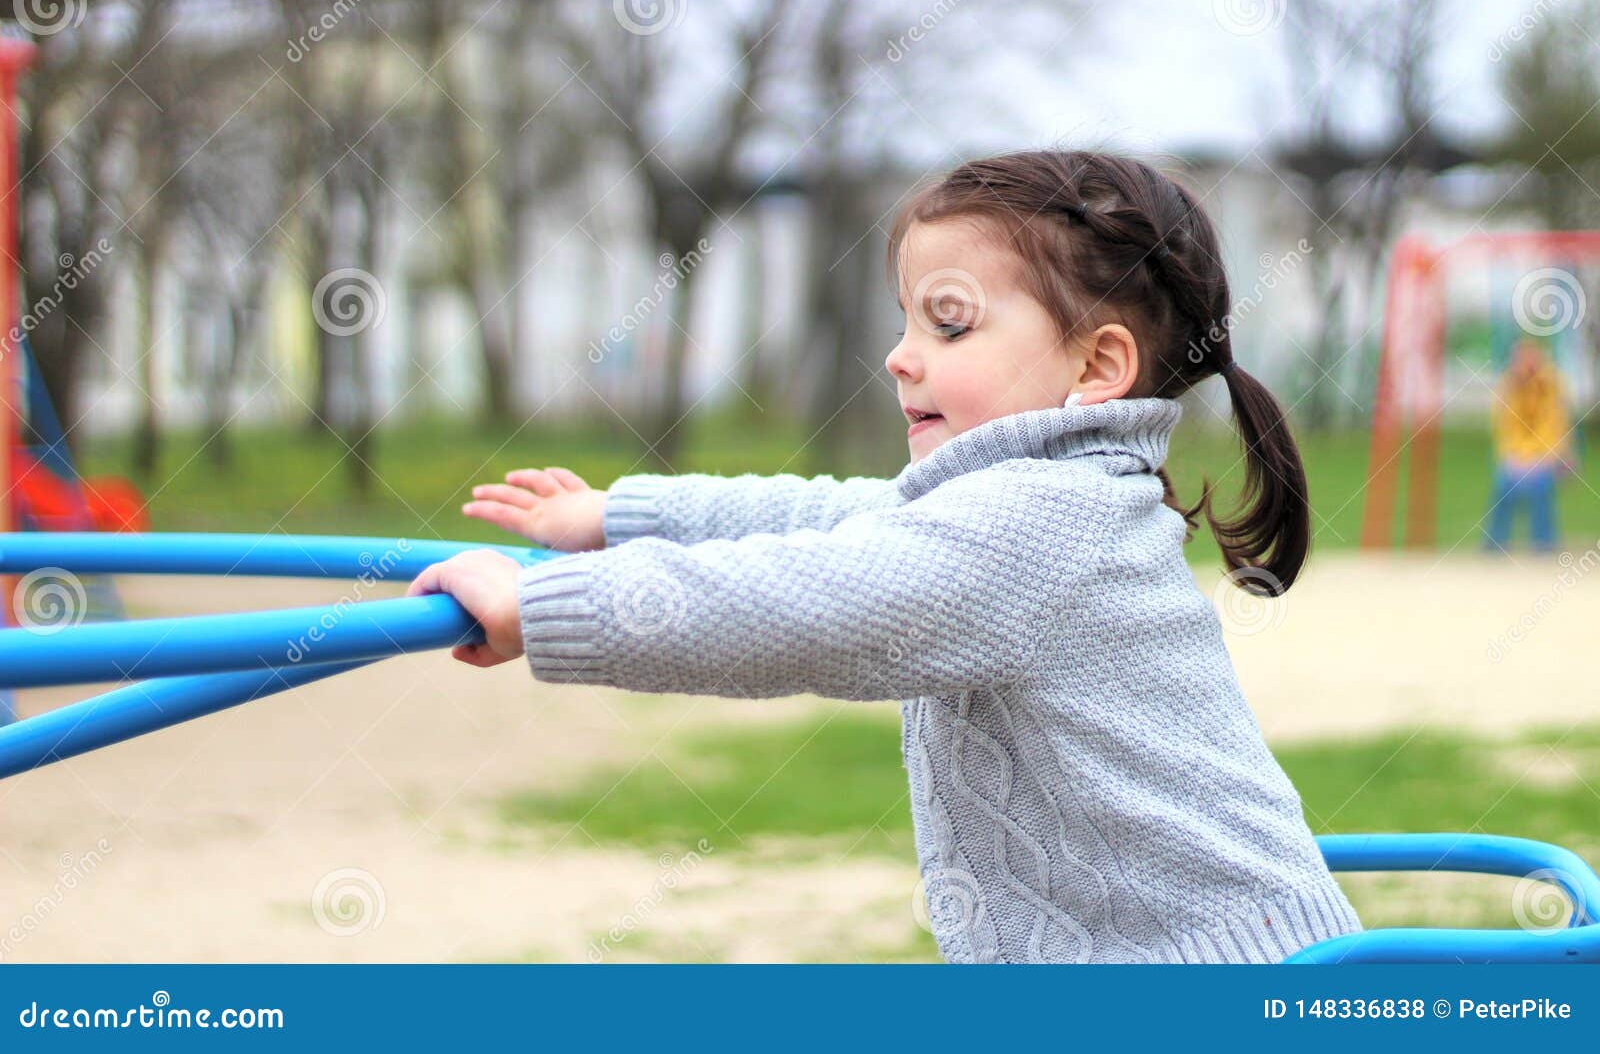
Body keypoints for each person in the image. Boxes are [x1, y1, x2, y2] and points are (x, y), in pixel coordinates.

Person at [406, 149, 1364, 963]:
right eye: (905, 321)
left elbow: (815, 601)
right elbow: (838, 520)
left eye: (949, 324)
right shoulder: (1041, 507)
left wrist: (543, 608)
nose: (901, 357)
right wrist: (621, 516)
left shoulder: (1038, 525)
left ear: (1097, 367)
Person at [1485, 338, 1576, 553]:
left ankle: (1544, 544)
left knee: (1540, 486)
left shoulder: (1551, 383)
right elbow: (1504, 428)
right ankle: (1495, 545)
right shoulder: (1508, 386)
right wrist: (1515, 457)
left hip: (1547, 454)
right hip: (1517, 455)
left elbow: (1557, 425)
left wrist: (1545, 457)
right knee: (1503, 484)